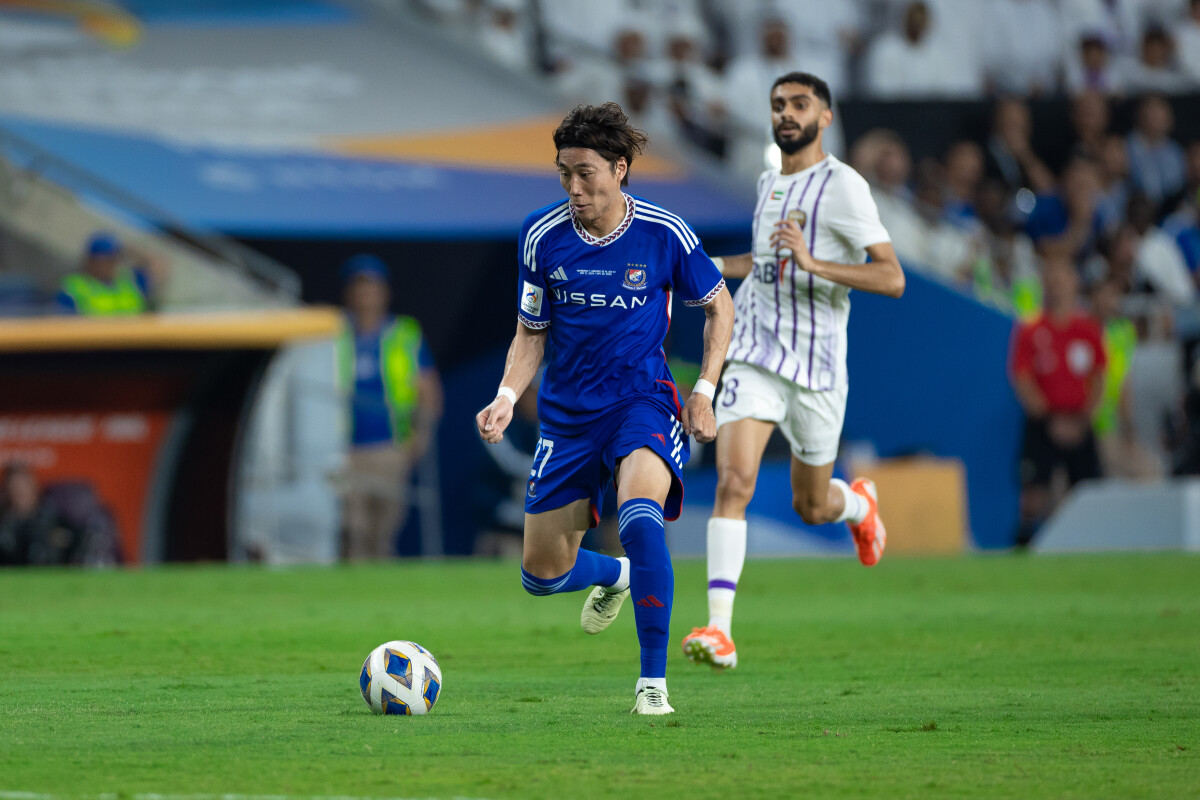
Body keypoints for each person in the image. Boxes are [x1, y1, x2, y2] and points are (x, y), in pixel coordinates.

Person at [474, 102, 734, 715]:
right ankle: (613, 576)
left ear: (620, 168)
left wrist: (705, 390)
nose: (574, 187)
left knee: (640, 518)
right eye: (564, 172)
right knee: (540, 574)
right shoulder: (542, 235)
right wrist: (507, 397)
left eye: (586, 172)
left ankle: (652, 688)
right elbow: (531, 331)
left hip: (642, 402)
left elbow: (719, 306)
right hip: (568, 417)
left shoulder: (664, 233)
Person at [681, 72, 905, 670]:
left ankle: (857, 507)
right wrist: (708, 268)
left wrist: (814, 262)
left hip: (818, 370)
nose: (786, 113)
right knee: (735, 483)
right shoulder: (768, 181)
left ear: (824, 116)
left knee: (813, 505)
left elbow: (892, 277)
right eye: (778, 104)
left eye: (799, 104)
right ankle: (719, 630)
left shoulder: (844, 188)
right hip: (754, 355)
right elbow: (765, 260)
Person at [336, 254, 442, 560]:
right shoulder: (336, 332)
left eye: (371, 287)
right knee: (351, 531)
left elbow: (428, 389)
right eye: (359, 287)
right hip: (346, 449)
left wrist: (420, 438)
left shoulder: (404, 333)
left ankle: (377, 600)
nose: (365, 294)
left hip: (390, 446)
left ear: (385, 292)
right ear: (348, 293)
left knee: (382, 533)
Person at [1010, 256, 1106, 548]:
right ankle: (1024, 552)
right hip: (1043, 422)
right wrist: (1050, 419)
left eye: (1063, 280)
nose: (1058, 287)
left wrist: (1082, 418)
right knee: (1033, 497)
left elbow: (1099, 378)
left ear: (1075, 284)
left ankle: (1090, 549)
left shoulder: (1088, 329)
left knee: (1089, 494)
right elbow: (1022, 379)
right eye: (1051, 281)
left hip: (1079, 421)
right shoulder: (1030, 330)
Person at [56, 231, 165, 315]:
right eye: (107, 260)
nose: (113, 264)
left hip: (133, 342)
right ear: (91, 262)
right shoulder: (75, 287)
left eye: (115, 258)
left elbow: (158, 267)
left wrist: (131, 250)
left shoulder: (129, 279)